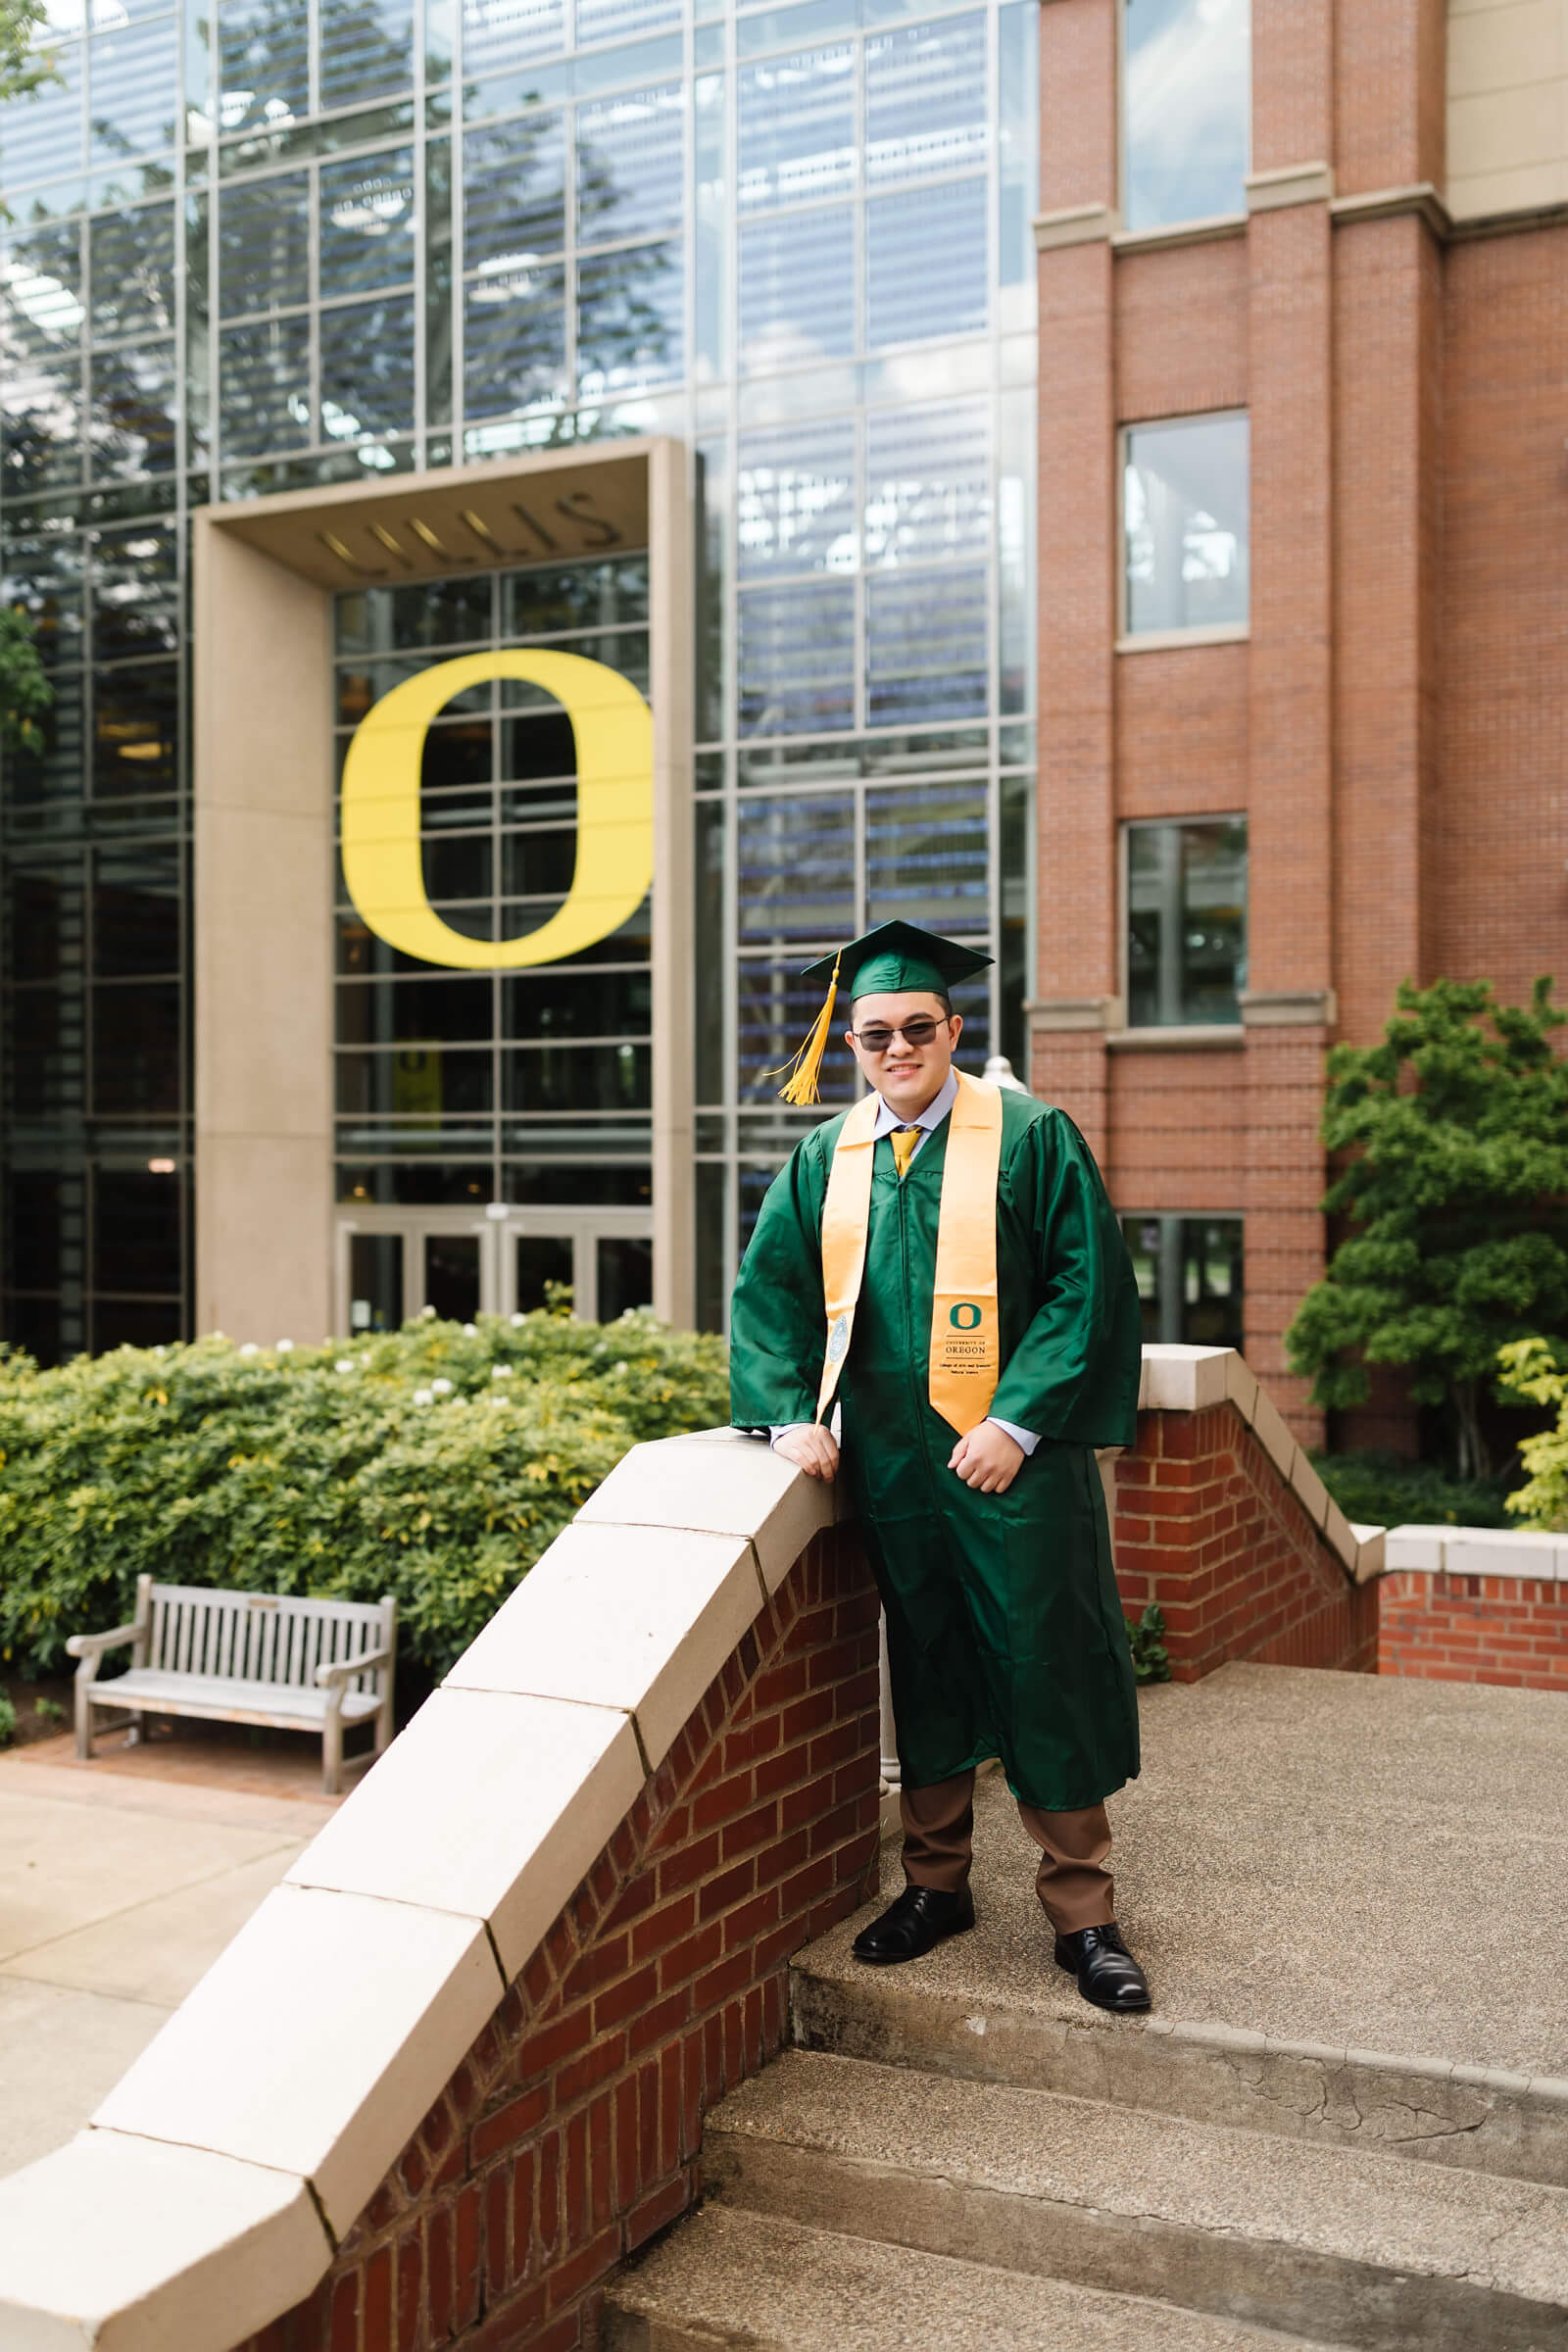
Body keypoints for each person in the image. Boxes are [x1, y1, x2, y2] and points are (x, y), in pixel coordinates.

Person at [729, 920, 1151, 2012]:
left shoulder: (1028, 1134)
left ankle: (1084, 1913)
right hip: (896, 1469)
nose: (897, 1047)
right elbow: (771, 1292)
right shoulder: (829, 1158)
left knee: (1041, 1667)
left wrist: (1017, 1421)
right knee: (927, 1670)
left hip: (1013, 1467)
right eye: (876, 1035)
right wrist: (785, 1415)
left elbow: (1084, 1285)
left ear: (954, 1029)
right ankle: (936, 1886)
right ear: (854, 1045)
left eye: (919, 1027)